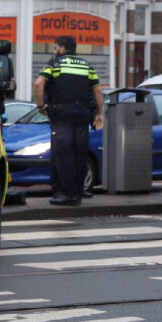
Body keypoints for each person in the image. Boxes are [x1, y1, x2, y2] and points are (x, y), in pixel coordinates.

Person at [32, 34, 104, 206]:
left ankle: (66, 194)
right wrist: (99, 113)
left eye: (56, 48)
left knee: (62, 152)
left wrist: (41, 105)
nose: (54, 52)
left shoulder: (55, 64)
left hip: (62, 113)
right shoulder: (87, 66)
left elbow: (38, 83)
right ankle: (78, 192)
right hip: (82, 114)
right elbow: (98, 91)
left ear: (62, 49)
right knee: (79, 152)